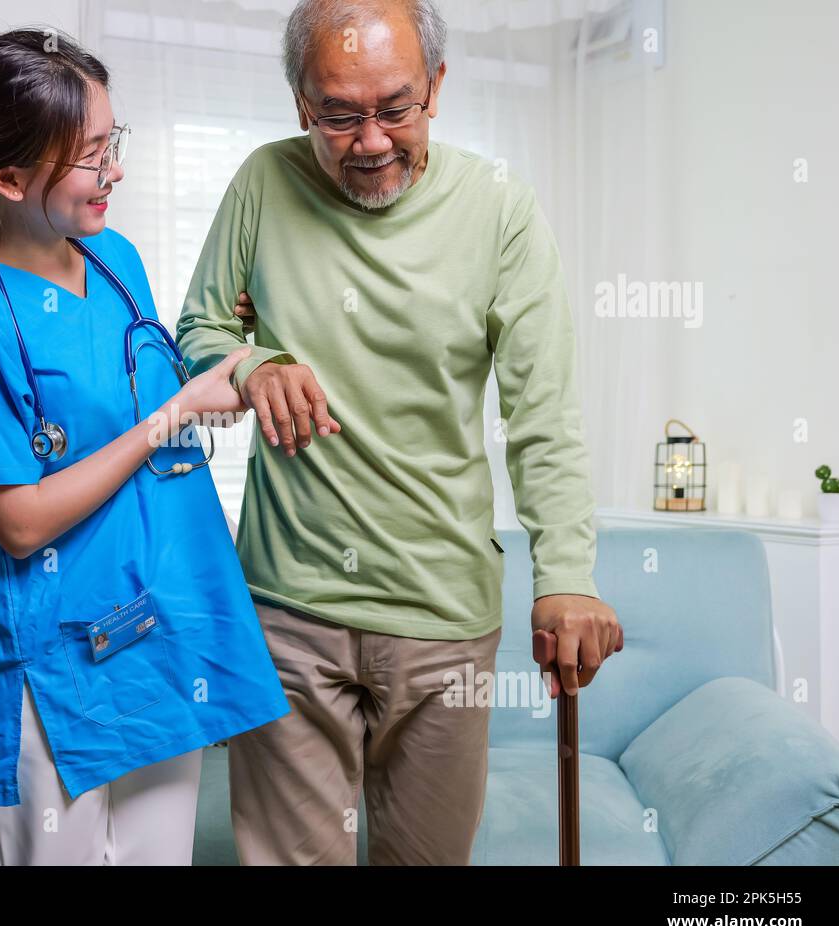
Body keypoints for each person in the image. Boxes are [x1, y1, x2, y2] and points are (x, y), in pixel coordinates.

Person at [176, 0, 623, 865]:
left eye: (395, 108)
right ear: (302, 103)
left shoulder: (499, 211)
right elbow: (198, 331)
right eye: (339, 115)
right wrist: (254, 364)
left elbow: (544, 413)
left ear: (438, 88)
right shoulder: (263, 183)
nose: (371, 140)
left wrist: (565, 575)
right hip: (288, 610)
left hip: (441, 615)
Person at [0, 28, 289, 866]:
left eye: (110, 143)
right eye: (91, 154)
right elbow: (18, 523)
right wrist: (174, 415)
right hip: (50, 672)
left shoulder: (117, 260)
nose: (113, 170)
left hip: (160, 641)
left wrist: (221, 383)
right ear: (10, 179)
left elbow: (143, 416)